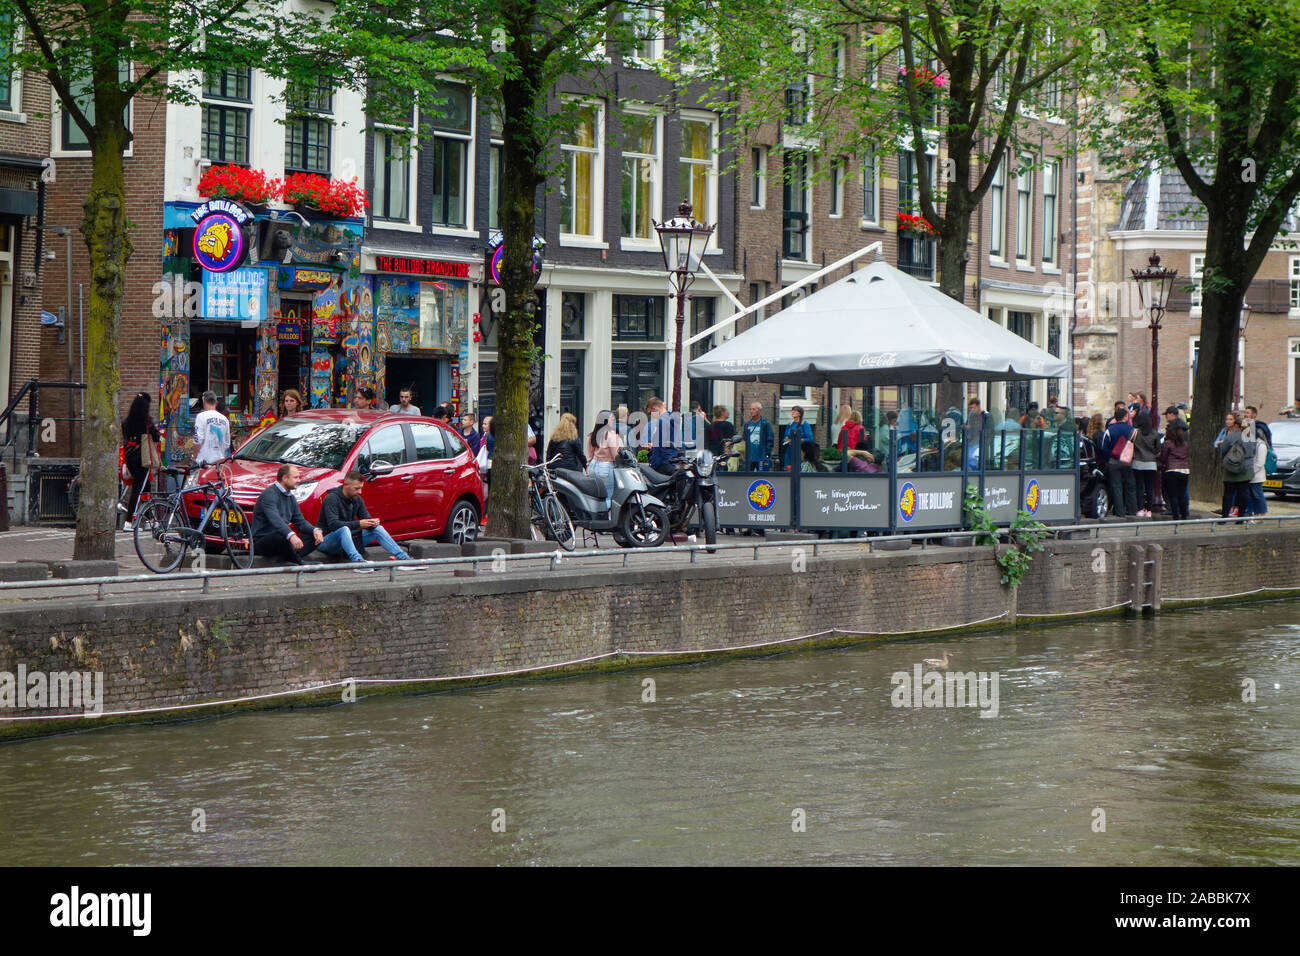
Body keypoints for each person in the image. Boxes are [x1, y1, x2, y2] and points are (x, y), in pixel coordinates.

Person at [317, 470, 419, 572]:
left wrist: (372, 522)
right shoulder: (331, 498)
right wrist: (358, 524)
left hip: (349, 538)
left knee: (377, 528)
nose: (360, 492)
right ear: (345, 485)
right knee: (343, 529)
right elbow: (333, 525)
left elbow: (365, 517)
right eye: (356, 488)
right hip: (326, 541)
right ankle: (358, 562)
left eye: (361, 488)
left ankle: (404, 559)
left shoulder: (357, 498)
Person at [251, 463, 324, 564]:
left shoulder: (291, 497)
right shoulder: (269, 494)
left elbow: (300, 522)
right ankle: (300, 563)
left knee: (314, 537)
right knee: (283, 536)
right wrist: (291, 535)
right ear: (285, 478)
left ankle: (285, 559)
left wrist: (315, 530)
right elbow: (275, 519)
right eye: (295, 477)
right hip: (263, 540)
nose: (299, 480)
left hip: (282, 538)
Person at [120, 392, 160, 530]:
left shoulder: (126, 421)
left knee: (146, 487)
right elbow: (155, 436)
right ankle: (129, 521)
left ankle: (149, 520)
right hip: (142, 457)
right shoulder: (146, 420)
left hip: (129, 456)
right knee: (138, 489)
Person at [1099, 406, 1137, 518]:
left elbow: (1103, 447)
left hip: (1113, 461)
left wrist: (1110, 456)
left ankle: (1119, 511)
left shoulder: (1109, 430)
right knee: (1130, 486)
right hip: (1127, 462)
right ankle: (1131, 510)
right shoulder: (1132, 430)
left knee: (1117, 487)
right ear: (1125, 417)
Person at [1219, 411, 1254, 517]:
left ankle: (1224, 517)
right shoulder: (1249, 436)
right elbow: (1253, 451)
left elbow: (1223, 450)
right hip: (1246, 468)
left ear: (1235, 425)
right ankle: (1241, 517)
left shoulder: (1230, 436)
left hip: (1231, 468)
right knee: (1243, 493)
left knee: (1228, 493)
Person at [587, 411, 622, 508]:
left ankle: (595, 515)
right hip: (606, 466)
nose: (613, 421)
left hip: (593, 465)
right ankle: (606, 518)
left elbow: (589, 454)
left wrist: (587, 468)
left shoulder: (592, 435)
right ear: (605, 421)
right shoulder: (611, 435)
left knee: (596, 495)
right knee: (608, 495)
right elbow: (615, 455)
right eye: (611, 419)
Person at [1158, 419, 1191, 520]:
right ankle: (1184, 515)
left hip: (1171, 470)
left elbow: (1163, 457)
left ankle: (1176, 516)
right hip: (1184, 470)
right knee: (1181, 494)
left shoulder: (1168, 444)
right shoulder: (1185, 444)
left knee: (1173, 495)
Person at [1131, 410, 1160, 517]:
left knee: (1139, 487)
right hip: (1151, 463)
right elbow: (1158, 450)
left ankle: (1140, 508)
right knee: (1150, 487)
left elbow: (1130, 444)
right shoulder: (1154, 433)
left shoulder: (1135, 432)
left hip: (1137, 462)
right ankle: (1149, 510)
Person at [642, 396, 678, 475]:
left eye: (650, 413)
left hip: (663, 463)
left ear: (654, 409)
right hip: (672, 461)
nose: (651, 416)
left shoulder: (662, 421)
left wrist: (654, 464)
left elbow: (660, 447)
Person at [193, 390, 231, 467]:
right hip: (219, 463)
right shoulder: (224, 419)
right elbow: (227, 444)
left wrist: (194, 456)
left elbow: (198, 440)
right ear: (216, 402)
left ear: (203, 402)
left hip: (203, 463)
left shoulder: (201, 416)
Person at [1244, 416, 1269, 516]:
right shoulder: (1248, 443)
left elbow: (1260, 462)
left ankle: (1262, 513)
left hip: (1256, 476)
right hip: (1248, 475)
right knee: (1249, 495)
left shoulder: (1261, 445)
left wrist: (1251, 472)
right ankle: (1251, 513)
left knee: (1257, 495)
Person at [741, 402, 774, 470]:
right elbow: (744, 439)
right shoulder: (747, 424)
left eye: (753, 409)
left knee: (763, 478)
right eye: (750, 409)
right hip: (749, 458)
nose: (751, 411)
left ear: (759, 410)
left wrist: (767, 454)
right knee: (747, 478)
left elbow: (770, 439)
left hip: (762, 457)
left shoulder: (765, 423)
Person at [782, 405, 813, 471]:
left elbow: (810, 439)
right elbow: (785, 436)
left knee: (798, 469)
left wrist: (799, 440)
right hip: (789, 450)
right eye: (792, 410)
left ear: (800, 413)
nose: (792, 412)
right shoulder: (790, 424)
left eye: (795, 411)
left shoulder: (804, 424)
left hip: (799, 450)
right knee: (788, 469)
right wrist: (786, 439)